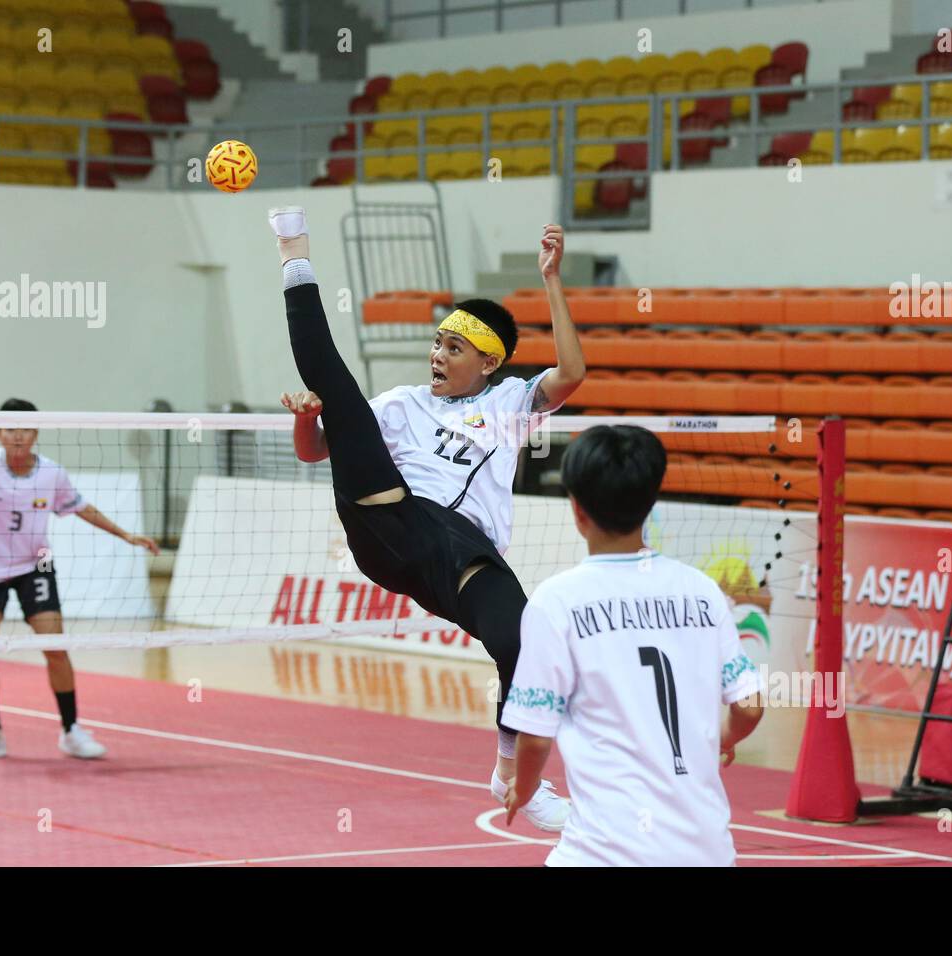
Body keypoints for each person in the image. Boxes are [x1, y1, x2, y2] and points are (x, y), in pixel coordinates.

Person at [271, 207, 586, 829]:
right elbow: (318, 453)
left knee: (524, 644)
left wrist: (552, 278)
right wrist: (309, 418)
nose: (437, 355)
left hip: (463, 553)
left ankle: (506, 776)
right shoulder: (400, 404)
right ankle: (293, 250)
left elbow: (573, 372)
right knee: (337, 386)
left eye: (454, 347)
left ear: (489, 363)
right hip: (388, 522)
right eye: (437, 342)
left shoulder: (509, 403)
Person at [501, 425, 764, 865]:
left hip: (605, 852)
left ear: (577, 509)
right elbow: (750, 705)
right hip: (707, 853)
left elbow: (535, 737)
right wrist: (719, 738)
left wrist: (523, 789)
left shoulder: (557, 601)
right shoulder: (702, 591)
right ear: (649, 501)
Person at [0, 399, 160, 759]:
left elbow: (83, 508)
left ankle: (71, 730)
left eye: (25, 429)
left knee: (55, 645)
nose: (18, 436)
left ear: (35, 433)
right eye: (11, 429)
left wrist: (126, 535)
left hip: (37, 564)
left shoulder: (52, 473)